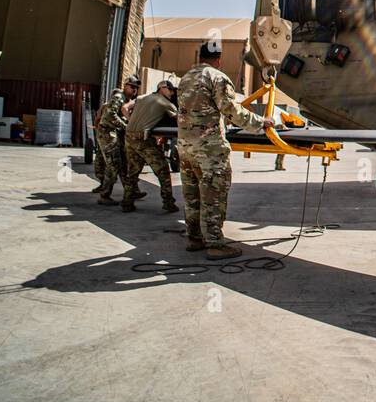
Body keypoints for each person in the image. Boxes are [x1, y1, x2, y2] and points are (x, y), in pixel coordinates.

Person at [177, 42, 275, 259]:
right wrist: (261, 123)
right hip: (209, 150)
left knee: (192, 195)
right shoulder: (217, 77)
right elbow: (231, 110)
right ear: (219, 60)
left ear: (200, 57)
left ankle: (194, 237)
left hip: (185, 147)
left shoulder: (185, 78)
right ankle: (214, 244)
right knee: (213, 195)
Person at [120, 80, 179, 213]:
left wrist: (132, 121)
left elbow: (124, 108)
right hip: (144, 140)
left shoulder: (141, 98)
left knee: (132, 171)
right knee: (163, 170)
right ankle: (168, 202)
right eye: (170, 89)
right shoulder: (165, 103)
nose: (172, 93)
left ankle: (127, 203)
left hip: (129, 136)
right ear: (162, 88)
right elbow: (179, 119)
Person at [95, 75, 139, 204]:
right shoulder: (119, 97)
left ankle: (132, 191)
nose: (134, 90)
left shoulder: (126, 99)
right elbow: (111, 115)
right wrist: (126, 126)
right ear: (125, 86)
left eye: (136, 88)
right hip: (108, 134)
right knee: (113, 165)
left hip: (113, 134)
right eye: (132, 87)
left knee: (123, 164)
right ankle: (104, 196)